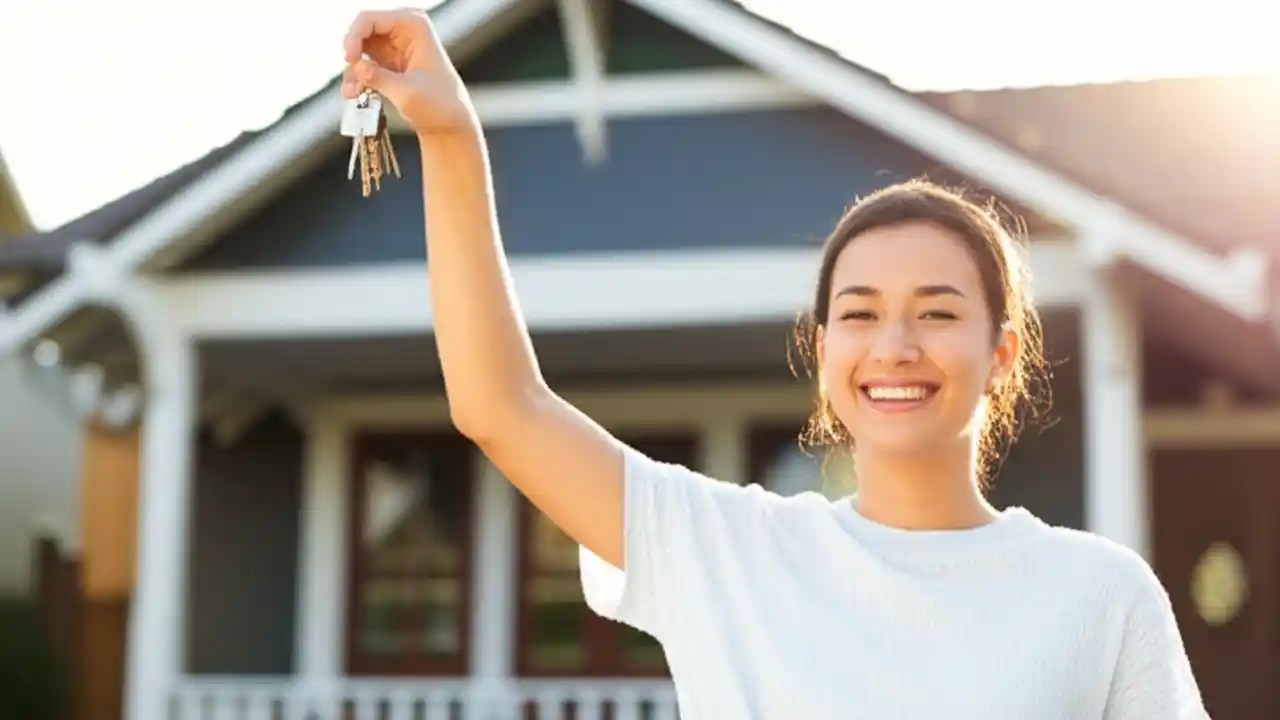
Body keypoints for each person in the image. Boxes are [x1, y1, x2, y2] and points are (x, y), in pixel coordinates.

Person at [341, 9, 1208, 719]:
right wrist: (451, 137)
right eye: (859, 314)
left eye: (937, 313)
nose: (895, 346)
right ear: (824, 351)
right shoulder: (727, 551)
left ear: (1000, 354)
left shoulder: (1099, 596)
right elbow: (500, 406)